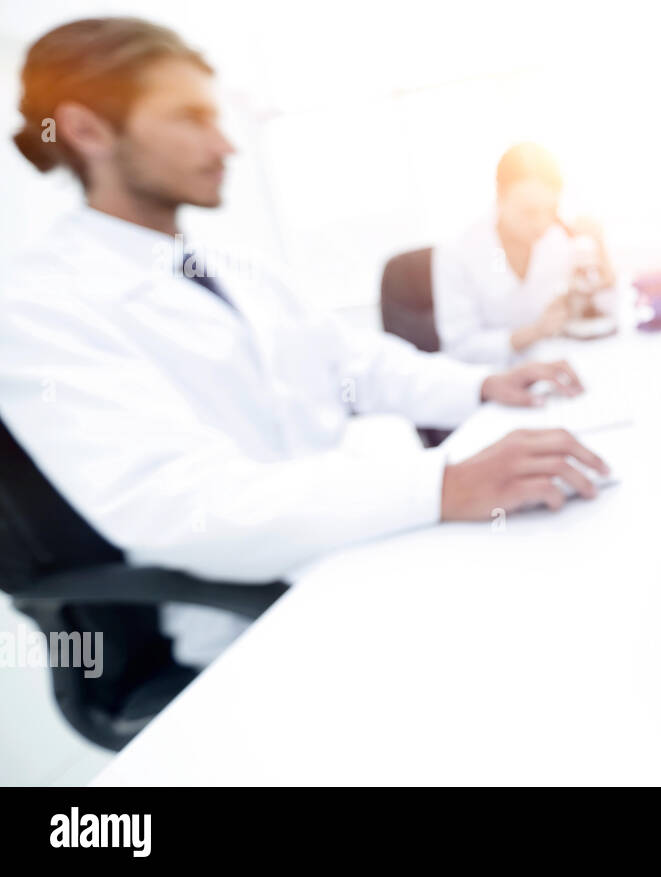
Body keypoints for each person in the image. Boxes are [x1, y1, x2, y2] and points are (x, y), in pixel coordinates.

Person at [1, 18, 609, 667]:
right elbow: (182, 503)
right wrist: (439, 485)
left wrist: (481, 385)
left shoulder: (237, 270)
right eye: (192, 118)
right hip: (246, 618)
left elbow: (361, 364)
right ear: (88, 130)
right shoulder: (40, 303)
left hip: (354, 547)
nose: (226, 144)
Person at [434, 142, 616, 366]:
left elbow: (607, 310)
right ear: (500, 196)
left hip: (554, 365)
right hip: (492, 378)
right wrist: (535, 332)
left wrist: (599, 247)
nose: (541, 223)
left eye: (550, 210)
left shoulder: (558, 237)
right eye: (528, 212)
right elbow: (460, 349)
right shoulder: (459, 251)